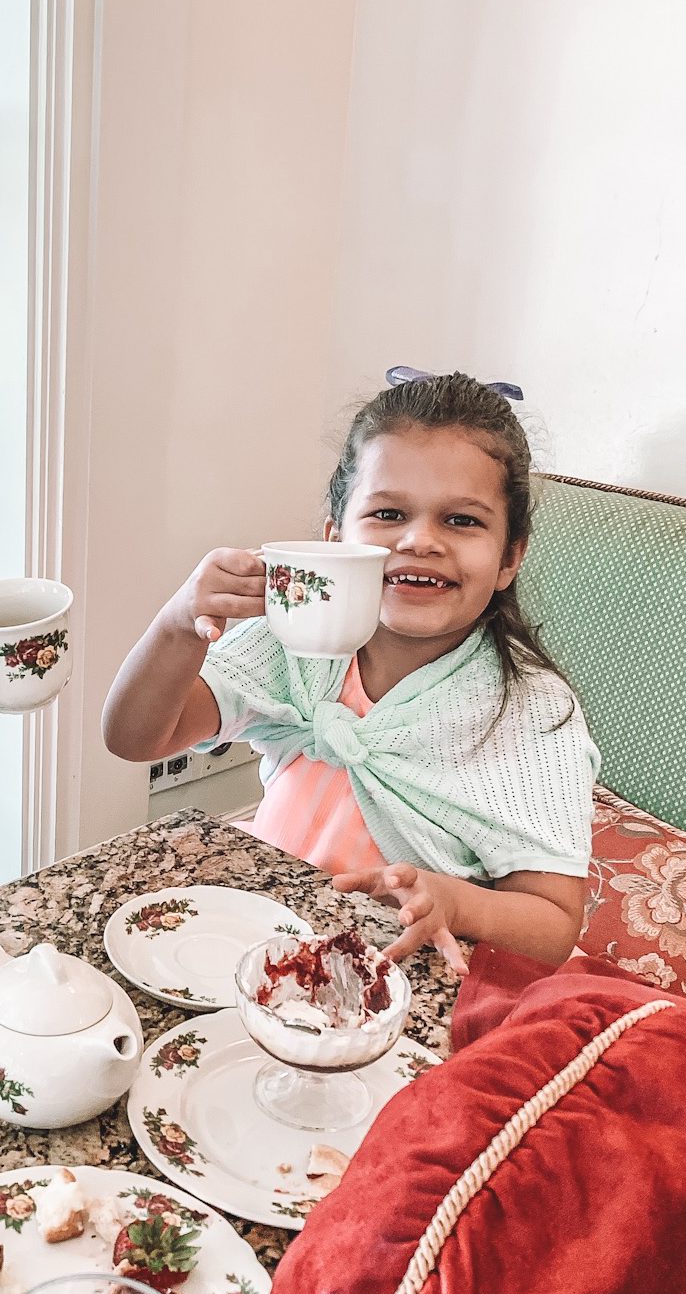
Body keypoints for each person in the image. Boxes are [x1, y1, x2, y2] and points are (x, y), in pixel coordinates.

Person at [102, 370, 599, 969]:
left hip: (397, 980)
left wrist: (457, 903)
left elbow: (552, 923)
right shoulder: (293, 645)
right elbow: (133, 737)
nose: (419, 540)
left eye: (462, 520)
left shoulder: (529, 711)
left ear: (509, 557)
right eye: (388, 514)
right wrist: (179, 624)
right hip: (258, 940)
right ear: (334, 538)